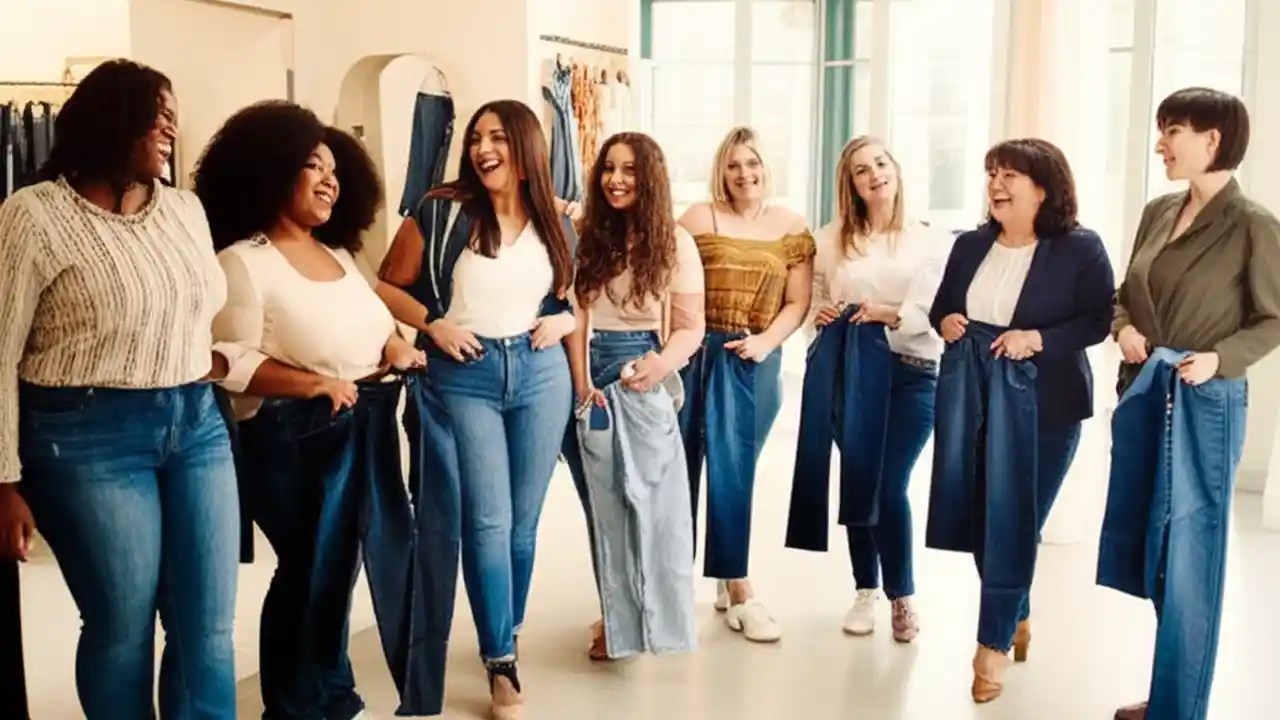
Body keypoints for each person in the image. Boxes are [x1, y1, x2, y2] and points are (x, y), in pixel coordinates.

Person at [0, 59, 238, 718]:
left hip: (196, 424)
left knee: (207, 630)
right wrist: (3, 482)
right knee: (122, 628)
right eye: (156, 115)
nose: (171, 128)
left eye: (172, 116)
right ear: (112, 120)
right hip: (86, 433)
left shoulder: (186, 210)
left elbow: (193, 318)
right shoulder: (33, 215)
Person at [193, 100, 423, 720]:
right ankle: (295, 705)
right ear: (271, 172)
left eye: (334, 169)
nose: (329, 180)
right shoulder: (243, 261)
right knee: (307, 571)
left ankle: (331, 693)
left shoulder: (342, 256)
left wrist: (398, 343)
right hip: (294, 439)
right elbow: (224, 361)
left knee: (339, 571)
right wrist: (310, 386)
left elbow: (375, 326)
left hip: (363, 426)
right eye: (311, 166)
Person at [376, 99, 576, 720]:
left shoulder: (555, 218)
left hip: (541, 375)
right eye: (476, 138)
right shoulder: (440, 209)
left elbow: (575, 294)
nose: (484, 148)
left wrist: (565, 318)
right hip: (467, 376)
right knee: (486, 521)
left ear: (525, 150)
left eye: (498, 137)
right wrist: (433, 326)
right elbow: (385, 283)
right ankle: (501, 663)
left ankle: (504, 624)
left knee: (522, 523)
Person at [1102, 88, 1280, 720]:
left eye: (1172, 130)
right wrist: (1122, 326)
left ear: (1213, 139)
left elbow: (1272, 318)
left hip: (1206, 399)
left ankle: (1179, 708)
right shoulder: (1157, 211)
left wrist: (1219, 359)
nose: (1160, 144)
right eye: (1160, 129)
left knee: (1191, 557)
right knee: (1152, 550)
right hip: (1147, 391)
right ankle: (1172, 693)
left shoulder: (1253, 223)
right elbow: (1125, 292)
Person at [926, 138, 1114, 703]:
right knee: (985, 519)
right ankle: (1018, 611)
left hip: (1047, 406)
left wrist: (1038, 339)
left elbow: (1097, 320)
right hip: (972, 398)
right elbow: (941, 308)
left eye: (1010, 174)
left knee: (1013, 518)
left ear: (1044, 187)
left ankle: (992, 646)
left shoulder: (1081, 248)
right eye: (991, 174)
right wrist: (948, 322)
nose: (996, 185)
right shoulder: (970, 245)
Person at [786, 135, 952, 642]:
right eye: (861, 169)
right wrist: (824, 315)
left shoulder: (933, 239)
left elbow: (937, 312)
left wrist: (892, 315)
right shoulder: (831, 239)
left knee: (887, 481)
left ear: (896, 169)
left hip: (912, 371)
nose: (874, 173)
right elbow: (813, 301)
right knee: (859, 475)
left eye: (881, 163)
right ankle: (865, 590)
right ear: (850, 184)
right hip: (850, 369)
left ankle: (902, 596)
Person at [564, 131, 705, 661]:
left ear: (650, 179)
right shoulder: (585, 234)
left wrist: (659, 365)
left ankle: (659, 622)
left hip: (641, 370)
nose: (616, 180)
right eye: (608, 169)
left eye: (629, 171)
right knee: (601, 508)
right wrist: (581, 385)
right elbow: (577, 315)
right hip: (588, 370)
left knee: (655, 505)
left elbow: (691, 328)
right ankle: (617, 621)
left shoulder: (675, 241)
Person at [675, 126, 815, 643]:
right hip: (696, 351)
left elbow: (798, 302)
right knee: (681, 470)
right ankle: (673, 583)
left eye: (752, 163)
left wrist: (764, 343)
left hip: (754, 357)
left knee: (735, 476)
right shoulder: (697, 218)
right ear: (721, 171)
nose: (744, 174)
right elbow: (667, 282)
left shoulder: (791, 226)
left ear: (765, 167)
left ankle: (736, 583)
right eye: (733, 165)